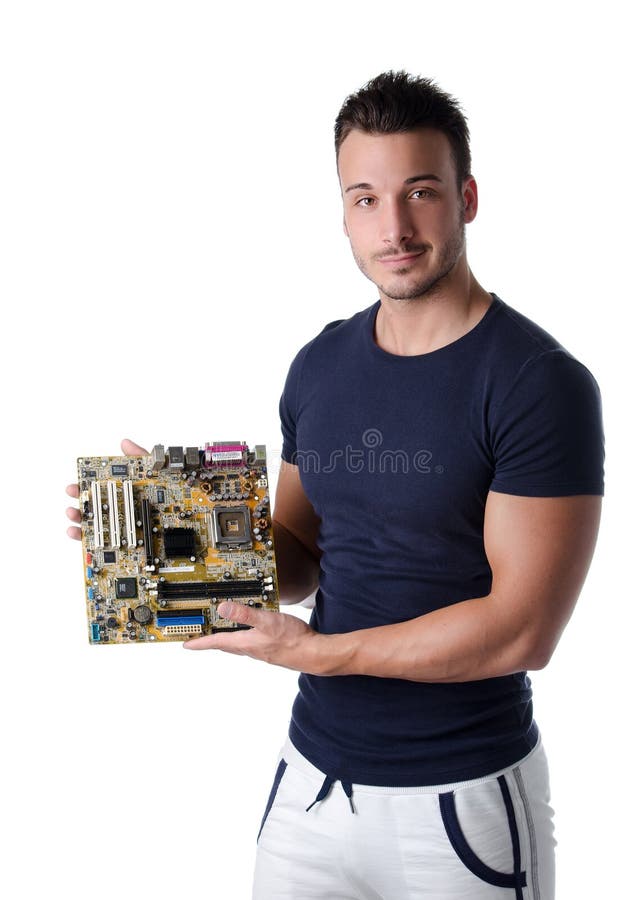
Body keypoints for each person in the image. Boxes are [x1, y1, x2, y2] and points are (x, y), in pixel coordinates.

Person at [66, 70, 605, 899]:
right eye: (364, 198)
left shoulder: (537, 381)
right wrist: (168, 532)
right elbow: (303, 556)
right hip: (310, 787)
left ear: (465, 197)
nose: (393, 226)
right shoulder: (319, 364)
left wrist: (317, 653)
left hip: (460, 803)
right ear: (343, 213)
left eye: (418, 192)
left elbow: (521, 631)